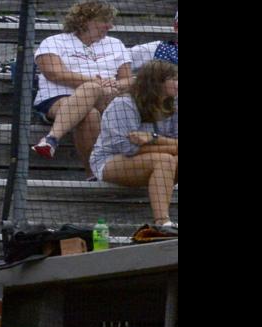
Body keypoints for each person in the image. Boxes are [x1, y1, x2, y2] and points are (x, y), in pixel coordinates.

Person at [30, 0, 129, 174]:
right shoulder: (53, 42)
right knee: (89, 114)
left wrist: (113, 84)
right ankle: (93, 175)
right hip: (57, 98)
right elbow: (55, 74)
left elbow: (127, 80)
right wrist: (94, 82)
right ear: (84, 20)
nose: (110, 26)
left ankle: (52, 138)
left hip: (106, 97)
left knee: (92, 89)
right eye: (104, 20)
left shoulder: (116, 44)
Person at [91, 60, 177, 237]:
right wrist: (170, 147)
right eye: (174, 79)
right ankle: (162, 222)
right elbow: (128, 148)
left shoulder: (173, 104)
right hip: (111, 161)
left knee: (168, 159)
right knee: (166, 160)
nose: (178, 84)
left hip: (152, 161)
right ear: (157, 82)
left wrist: (153, 138)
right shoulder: (124, 104)